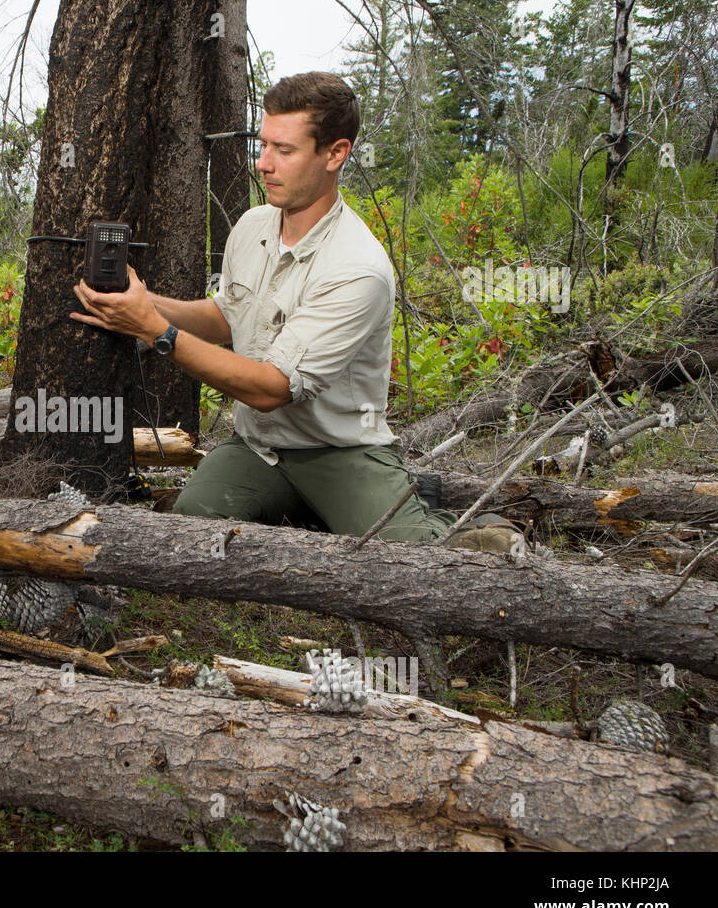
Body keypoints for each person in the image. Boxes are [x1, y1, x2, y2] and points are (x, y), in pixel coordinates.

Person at [70, 71, 518, 552]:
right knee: (191, 531)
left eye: (284, 151)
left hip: (340, 451)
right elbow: (227, 315)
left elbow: (271, 390)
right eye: (263, 146)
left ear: (336, 154)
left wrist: (157, 331)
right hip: (258, 450)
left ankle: (432, 513)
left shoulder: (357, 268)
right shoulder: (253, 225)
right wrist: (140, 300)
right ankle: (317, 513)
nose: (264, 164)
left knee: (413, 557)